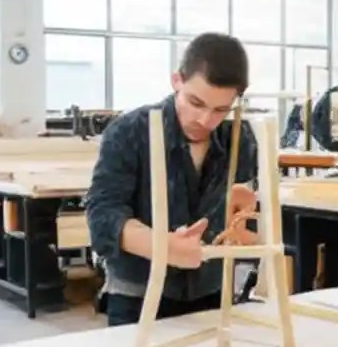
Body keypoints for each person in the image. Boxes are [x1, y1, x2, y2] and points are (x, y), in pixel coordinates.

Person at [86, 33, 258, 326]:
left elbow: (248, 224)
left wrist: (249, 227)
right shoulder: (130, 132)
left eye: (220, 110)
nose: (205, 120)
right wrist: (162, 247)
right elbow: (103, 215)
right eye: (195, 102)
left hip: (213, 293)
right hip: (138, 295)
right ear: (176, 80)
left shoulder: (239, 140)